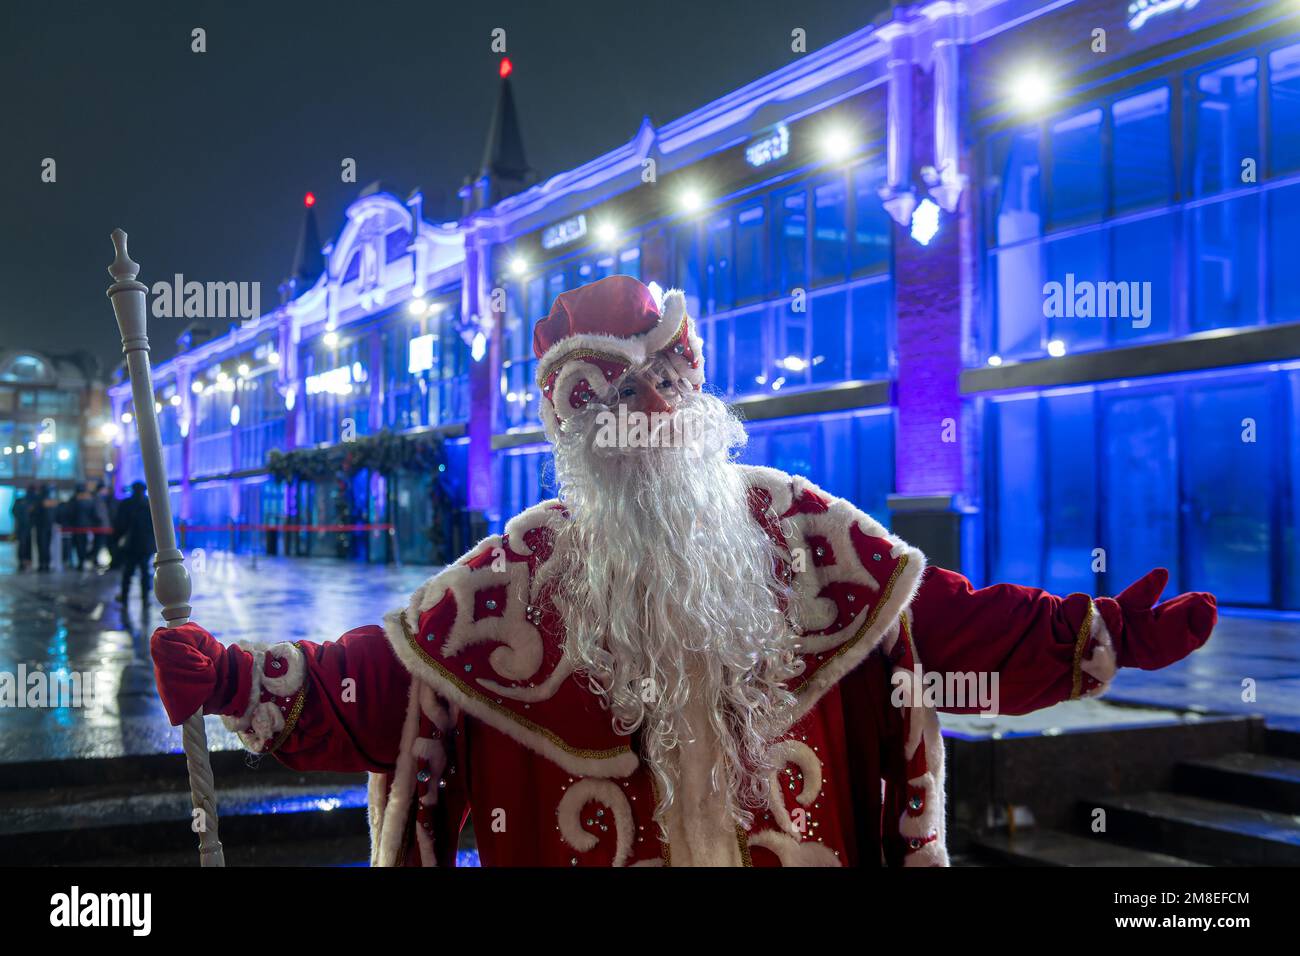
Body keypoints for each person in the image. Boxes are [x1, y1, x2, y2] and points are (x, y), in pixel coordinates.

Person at [149, 276, 1217, 867]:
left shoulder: (805, 532)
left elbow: (943, 630)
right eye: (617, 399)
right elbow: (374, 690)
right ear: (572, 426)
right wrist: (238, 680)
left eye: (669, 379)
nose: (651, 414)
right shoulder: (509, 578)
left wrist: (1095, 636)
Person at [113, 480, 154, 603]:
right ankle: (145, 598)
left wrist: (116, 540)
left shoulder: (126, 503)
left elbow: (119, 524)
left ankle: (124, 596)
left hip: (130, 545)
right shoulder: (149, 504)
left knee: (128, 572)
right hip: (146, 545)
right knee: (145, 571)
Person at [10, 486, 35, 571]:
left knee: (26, 545)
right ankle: (22, 561)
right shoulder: (23, 501)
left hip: (27, 527)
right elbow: (13, 511)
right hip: (22, 527)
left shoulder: (29, 501)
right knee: (23, 545)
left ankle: (25, 561)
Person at [92, 480, 113, 570]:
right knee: (99, 544)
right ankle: (94, 559)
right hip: (101, 527)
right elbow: (99, 513)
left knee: (100, 544)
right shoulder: (98, 499)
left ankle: (95, 559)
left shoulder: (100, 498)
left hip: (102, 526)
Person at [33, 484, 54, 572]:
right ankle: (47, 564)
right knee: (47, 546)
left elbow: (35, 513)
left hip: (40, 526)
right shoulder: (50, 500)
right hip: (49, 526)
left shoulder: (38, 499)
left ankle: (42, 564)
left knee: (41, 546)